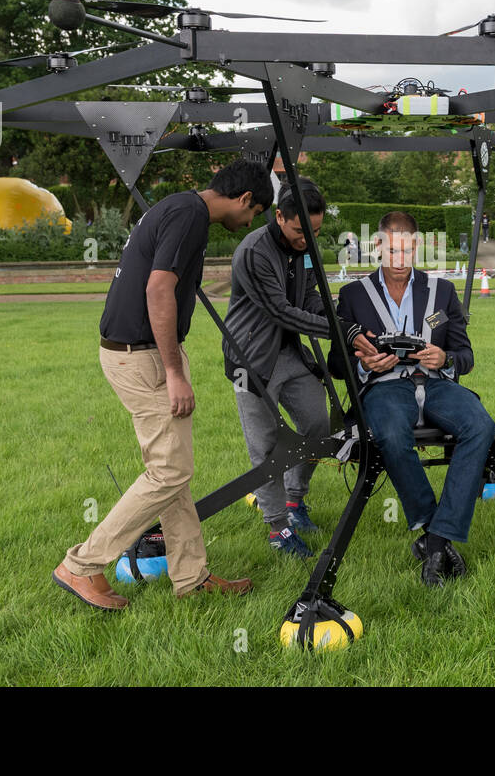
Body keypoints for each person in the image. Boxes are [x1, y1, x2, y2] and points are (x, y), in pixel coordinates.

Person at [53, 158, 273, 611]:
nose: (251, 222)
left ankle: (191, 577)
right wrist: (174, 373)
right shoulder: (190, 215)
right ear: (245, 199)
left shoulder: (177, 208)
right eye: (255, 213)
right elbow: (158, 289)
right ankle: (82, 565)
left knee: (175, 470)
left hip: (138, 352)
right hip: (144, 357)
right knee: (169, 472)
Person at [329, 211, 495, 587]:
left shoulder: (442, 292)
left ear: (417, 247)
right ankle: (435, 527)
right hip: (385, 385)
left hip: (437, 383)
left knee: (481, 425)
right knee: (389, 432)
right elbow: (336, 364)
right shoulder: (354, 295)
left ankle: (435, 540)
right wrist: (364, 361)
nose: (400, 259)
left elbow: (465, 356)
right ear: (378, 247)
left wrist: (446, 358)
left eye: (407, 250)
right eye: (393, 250)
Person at [222, 177, 376, 558]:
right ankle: (278, 529)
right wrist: (341, 333)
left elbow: (310, 299)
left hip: (289, 354)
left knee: (317, 426)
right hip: (250, 359)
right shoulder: (254, 250)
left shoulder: (306, 246)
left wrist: (343, 319)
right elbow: (280, 311)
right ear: (278, 216)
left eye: (316, 230)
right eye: (299, 230)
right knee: (265, 445)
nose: (308, 237)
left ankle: (295, 501)